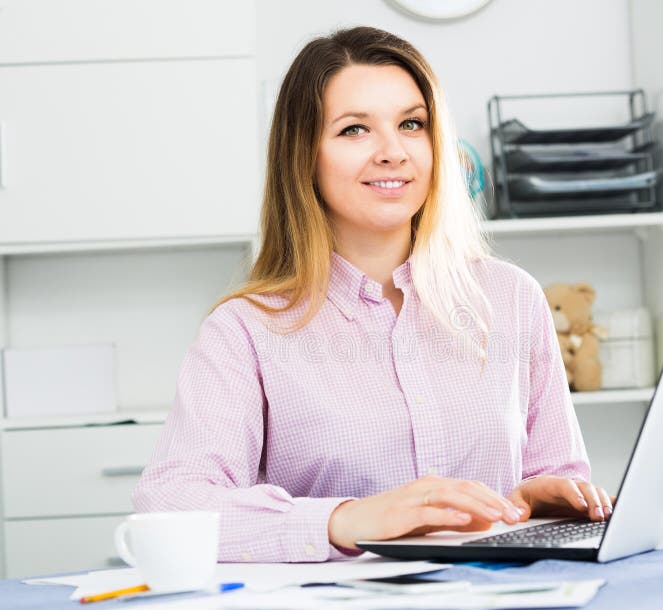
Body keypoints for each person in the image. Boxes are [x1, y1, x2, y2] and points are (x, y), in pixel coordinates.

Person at [133, 26, 613, 563]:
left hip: (499, 604)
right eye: (355, 129)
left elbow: (557, 477)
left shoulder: (511, 298)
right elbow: (169, 507)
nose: (393, 152)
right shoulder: (246, 329)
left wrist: (539, 499)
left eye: (412, 124)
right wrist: (343, 520)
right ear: (303, 156)